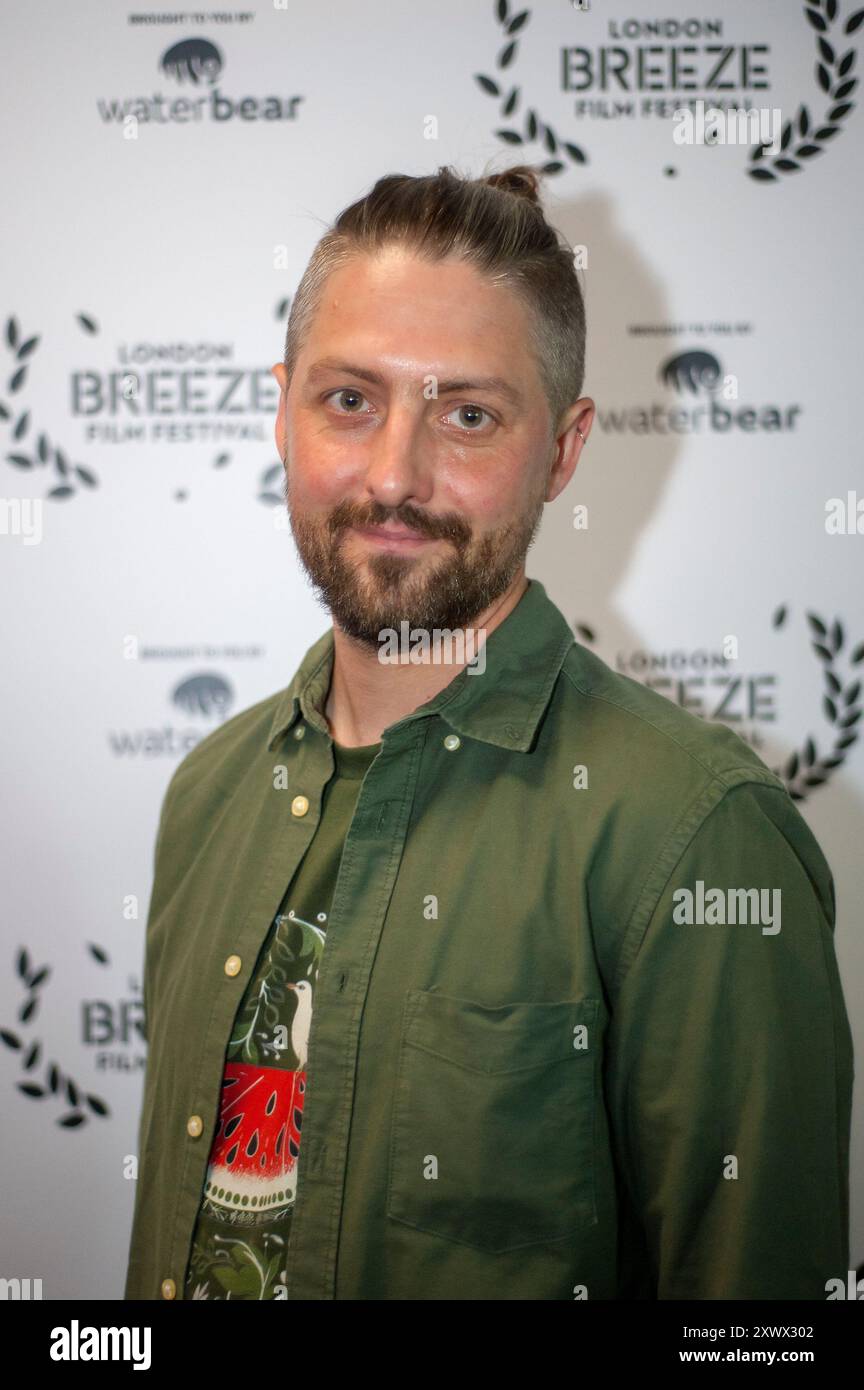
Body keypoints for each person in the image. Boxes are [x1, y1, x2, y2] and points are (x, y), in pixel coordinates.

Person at [124, 164, 853, 1301]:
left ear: (562, 452)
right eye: (349, 400)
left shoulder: (693, 839)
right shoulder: (211, 793)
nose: (393, 475)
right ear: (282, 409)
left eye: (467, 414)